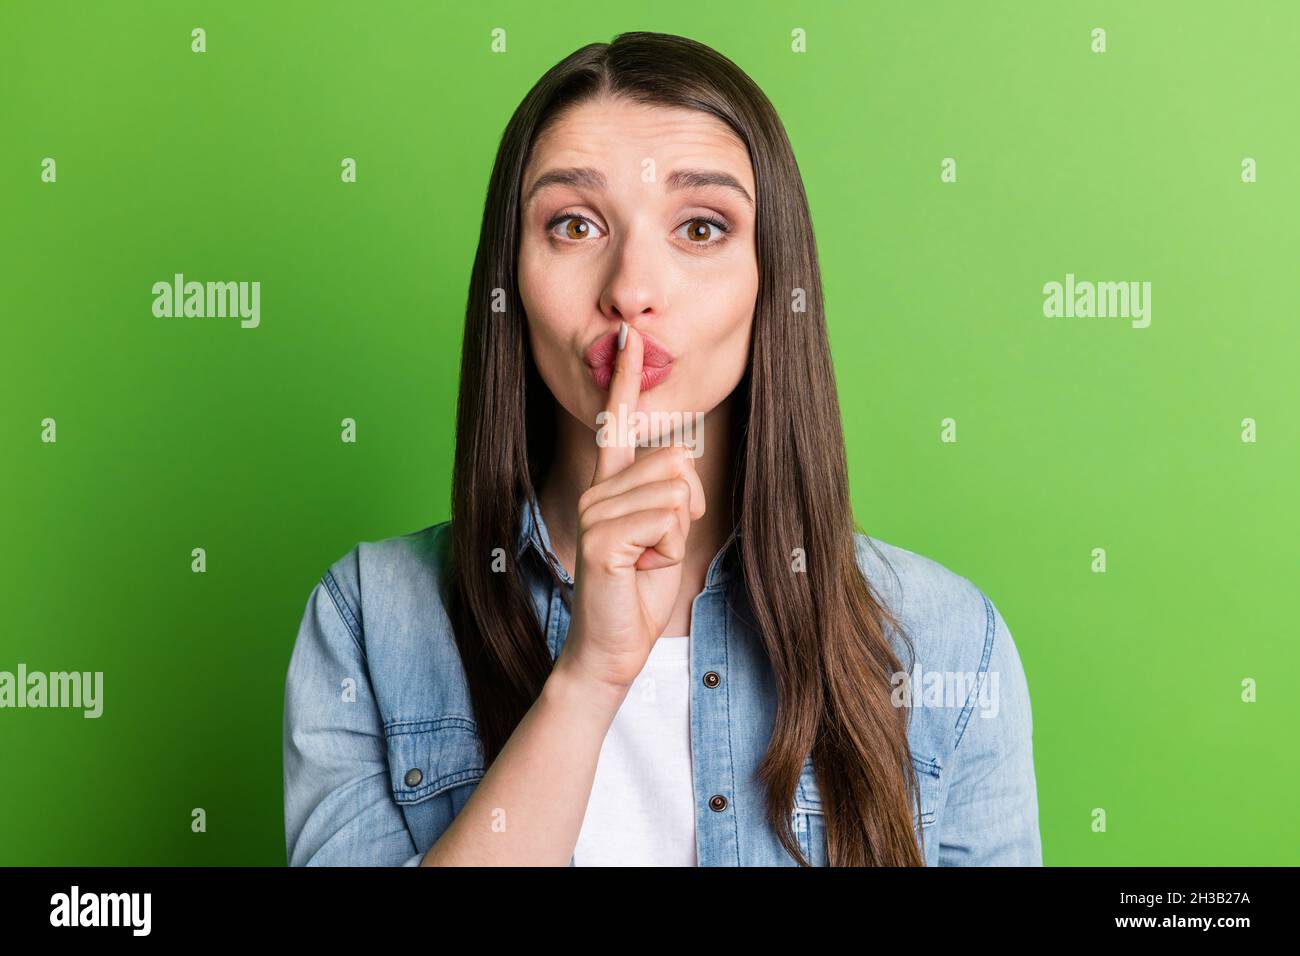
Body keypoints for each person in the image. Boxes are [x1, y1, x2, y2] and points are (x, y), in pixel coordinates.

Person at [283, 31, 1042, 867]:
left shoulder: (947, 643)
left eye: (701, 227)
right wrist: (589, 678)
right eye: (574, 224)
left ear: (771, 278)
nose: (632, 289)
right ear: (512, 277)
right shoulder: (370, 619)